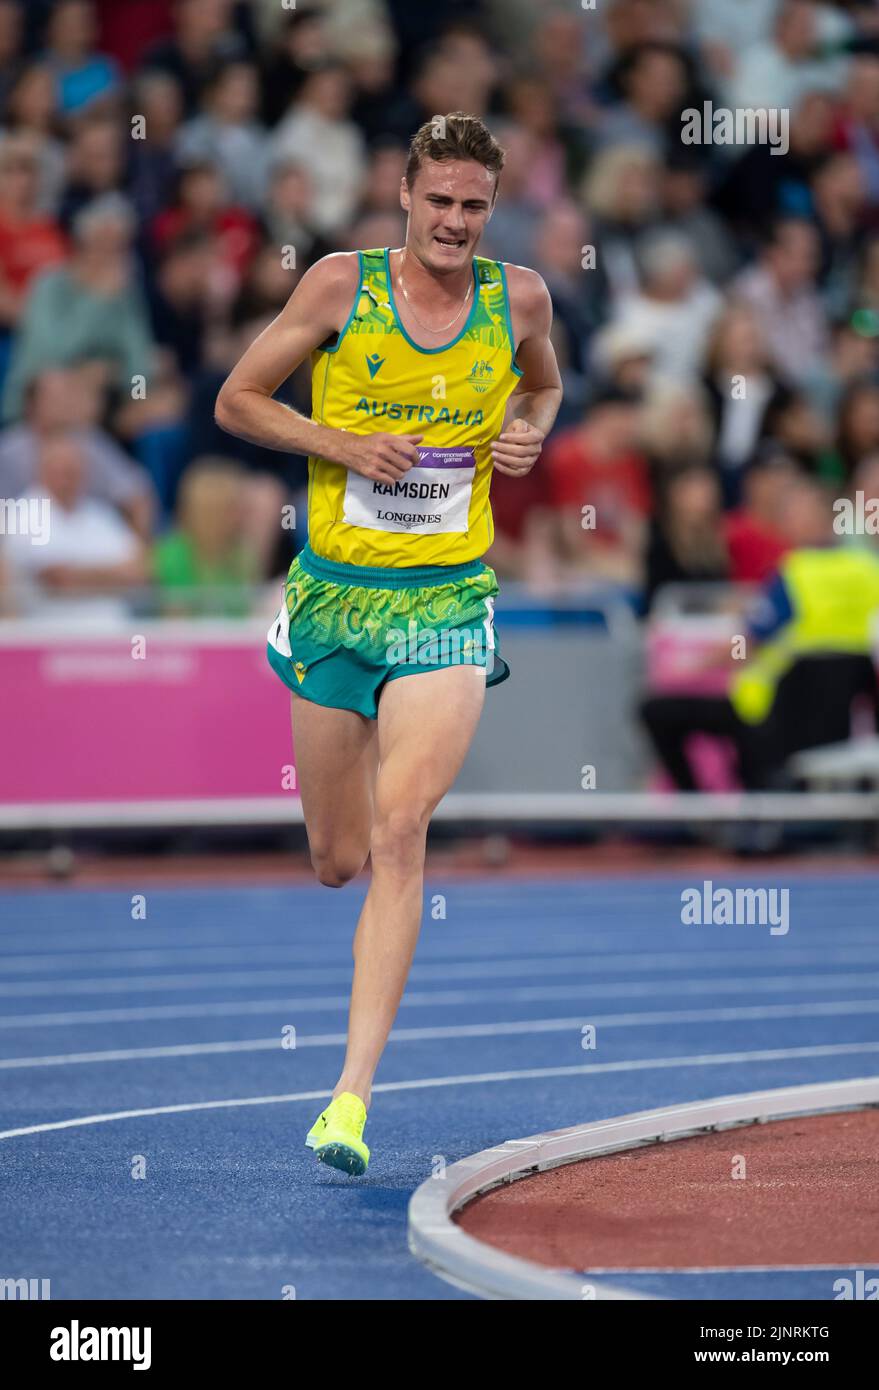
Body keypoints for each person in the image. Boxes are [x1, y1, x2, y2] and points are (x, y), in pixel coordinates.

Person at [215, 112, 562, 1175]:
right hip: (335, 601)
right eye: (439, 201)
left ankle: (350, 1099)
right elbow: (237, 400)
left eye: (474, 206)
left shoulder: (522, 299)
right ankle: (357, 780)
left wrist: (532, 428)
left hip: (447, 602)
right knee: (339, 858)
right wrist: (341, 443)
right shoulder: (338, 286)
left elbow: (544, 382)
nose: (455, 222)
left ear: (488, 210)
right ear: (404, 196)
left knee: (404, 825)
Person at [641, 481, 879, 791]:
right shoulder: (869, 569)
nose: (785, 520)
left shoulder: (796, 573)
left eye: (794, 512)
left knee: (657, 711)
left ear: (818, 519)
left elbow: (747, 645)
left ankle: (696, 817)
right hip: (844, 719)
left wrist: (691, 666)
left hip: (765, 711)